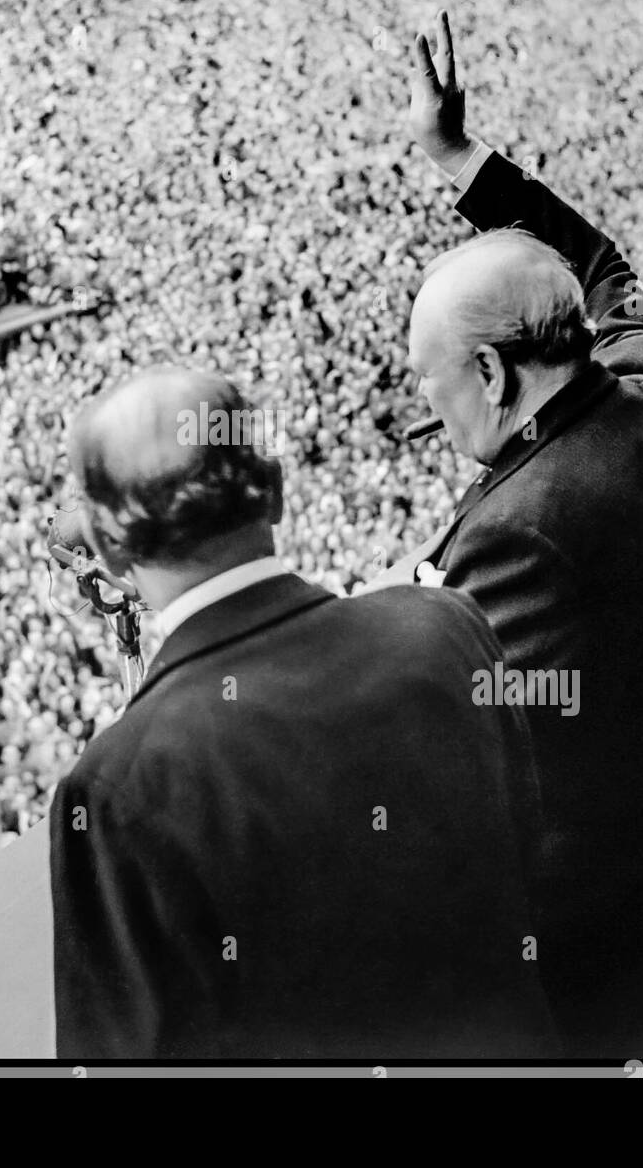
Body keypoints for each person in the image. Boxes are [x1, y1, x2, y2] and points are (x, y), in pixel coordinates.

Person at [374, 9, 643, 1058]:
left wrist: (405, 604)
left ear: (494, 373)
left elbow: (477, 730)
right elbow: (602, 264)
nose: (434, 407)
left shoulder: (514, 531)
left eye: (434, 383)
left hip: (616, 909)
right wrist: (459, 157)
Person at [49, 366, 557, 1059]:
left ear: (110, 551)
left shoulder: (119, 785)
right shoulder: (444, 626)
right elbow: (530, 849)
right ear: (280, 491)